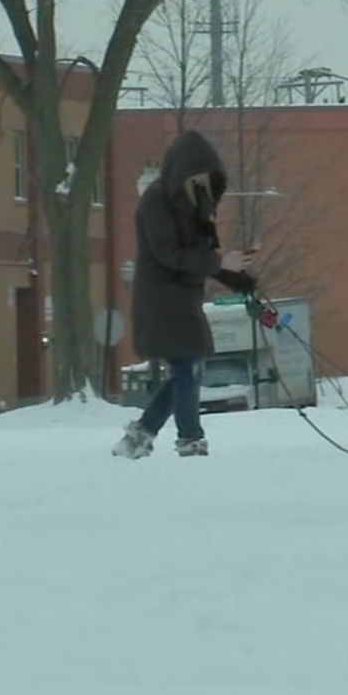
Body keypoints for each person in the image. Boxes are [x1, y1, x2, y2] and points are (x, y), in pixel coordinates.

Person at [112, 129, 257, 459]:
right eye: (196, 179)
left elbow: (203, 257)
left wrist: (239, 276)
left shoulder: (195, 207)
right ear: (181, 175)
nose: (202, 187)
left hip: (185, 299)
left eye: (207, 181)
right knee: (187, 368)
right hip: (161, 300)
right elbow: (168, 253)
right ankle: (190, 439)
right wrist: (220, 261)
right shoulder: (156, 201)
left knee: (187, 370)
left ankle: (141, 435)